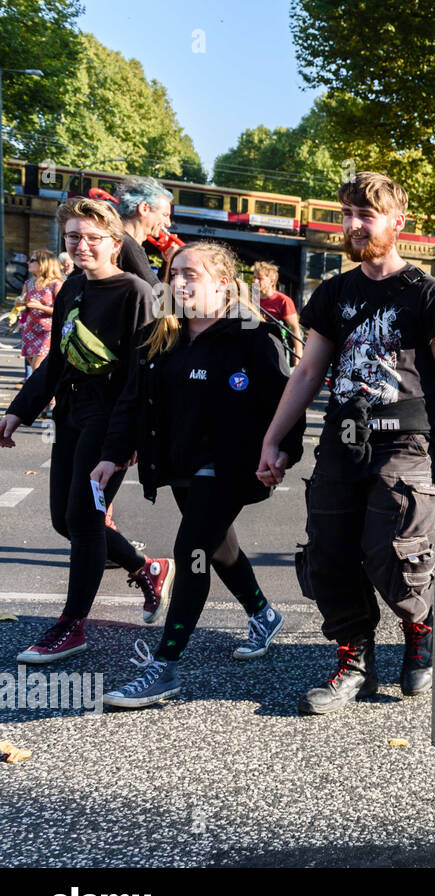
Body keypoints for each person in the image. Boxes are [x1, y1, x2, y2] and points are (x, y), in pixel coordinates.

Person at [256, 172, 435, 714]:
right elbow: (309, 370)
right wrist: (273, 438)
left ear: (397, 222)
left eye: (367, 215)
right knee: (330, 552)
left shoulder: (429, 292)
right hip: (342, 438)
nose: (355, 225)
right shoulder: (333, 292)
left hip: (406, 440)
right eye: (348, 214)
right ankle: (354, 658)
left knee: (395, 551)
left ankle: (419, 630)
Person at [91, 242, 305, 707]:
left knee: (191, 548)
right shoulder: (160, 333)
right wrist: (114, 452)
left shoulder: (252, 335)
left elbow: (287, 402)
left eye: (192, 274)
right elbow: (132, 399)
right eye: (174, 273)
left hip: (232, 463)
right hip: (178, 461)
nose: (179, 282)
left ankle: (165, 666)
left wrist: (284, 451)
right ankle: (263, 614)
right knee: (217, 544)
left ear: (224, 283)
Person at [0, 198, 173, 664]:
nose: (82, 245)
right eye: (73, 237)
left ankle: (72, 624)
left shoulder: (136, 293)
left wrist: (120, 447)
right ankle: (147, 568)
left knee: (82, 519)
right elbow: (58, 360)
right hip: (72, 414)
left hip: (112, 419)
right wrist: (19, 410)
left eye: (93, 238)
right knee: (66, 520)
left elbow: (141, 377)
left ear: (116, 244)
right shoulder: (71, 287)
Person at [115, 175, 174, 285]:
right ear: (144, 208)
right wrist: (172, 262)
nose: (168, 223)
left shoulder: (117, 239)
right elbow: (158, 295)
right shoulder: (129, 245)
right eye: (165, 215)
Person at [17, 249, 63, 379]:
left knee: (38, 368)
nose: (28, 262)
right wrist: (19, 305)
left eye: (32, 260)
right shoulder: (28, 283)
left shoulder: (56, 284)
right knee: (35, 368)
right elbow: (24, 309)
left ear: (44, 263)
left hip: (49, 332)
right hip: (30, 330)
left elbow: (62, 310)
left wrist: (41, 307)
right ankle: (51, 396)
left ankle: (45, 398)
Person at [252, 261, 302, 363]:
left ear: (271, 281)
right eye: (254, 277)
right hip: (254, 348)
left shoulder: (283, 301)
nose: (255, 281)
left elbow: (294, 329)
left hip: (276, 350)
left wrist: (298, 354)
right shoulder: (249, 299)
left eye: (259, 279)